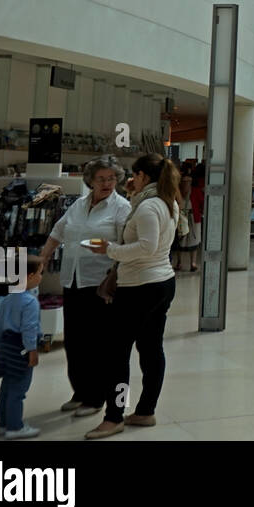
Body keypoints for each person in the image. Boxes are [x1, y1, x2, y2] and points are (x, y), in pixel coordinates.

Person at [86, 153, 180, 439]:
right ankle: (145, 410)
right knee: (151, 349)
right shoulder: (166, 201)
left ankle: (113, 416)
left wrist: (109, 249)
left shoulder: (148, 207)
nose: (130, 180)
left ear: (143, 176)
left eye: (134, 175)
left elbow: (147, 246)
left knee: (117, 354)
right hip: (161, 283)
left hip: (141, 287)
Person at [38, 155, 131, 419]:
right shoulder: (78, 205)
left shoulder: (121, 208)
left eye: (111, 178)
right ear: (90, 181)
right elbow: (57, 231)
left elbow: (125, 244)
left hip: (99, 283)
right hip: (73, 280)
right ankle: (80, 392)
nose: (107, 183)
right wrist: (43, 258)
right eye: (101, 179)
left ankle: (96, 397)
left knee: (98, 344)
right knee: (75, 342)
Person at [0, 255, 45, 439]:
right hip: (21, 347)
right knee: (19, 389)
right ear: (30, 276)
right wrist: (32, 351)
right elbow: (29, 328)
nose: (41, 277)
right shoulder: (30, 302)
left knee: (7, 386)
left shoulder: (8, 299)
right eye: (40, 273)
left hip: (5, 346)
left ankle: (4, 423)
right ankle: (15, 427)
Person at [176, 172, 201, 271]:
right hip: (181, 217)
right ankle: (179, 262)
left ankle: (193, 263)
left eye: (188, 181)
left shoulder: (196, 191)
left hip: (193, 218)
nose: (186, 183)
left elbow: (201, 202)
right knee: (180, 240)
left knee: (194, 240)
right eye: (184, 181)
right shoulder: (178, 192)